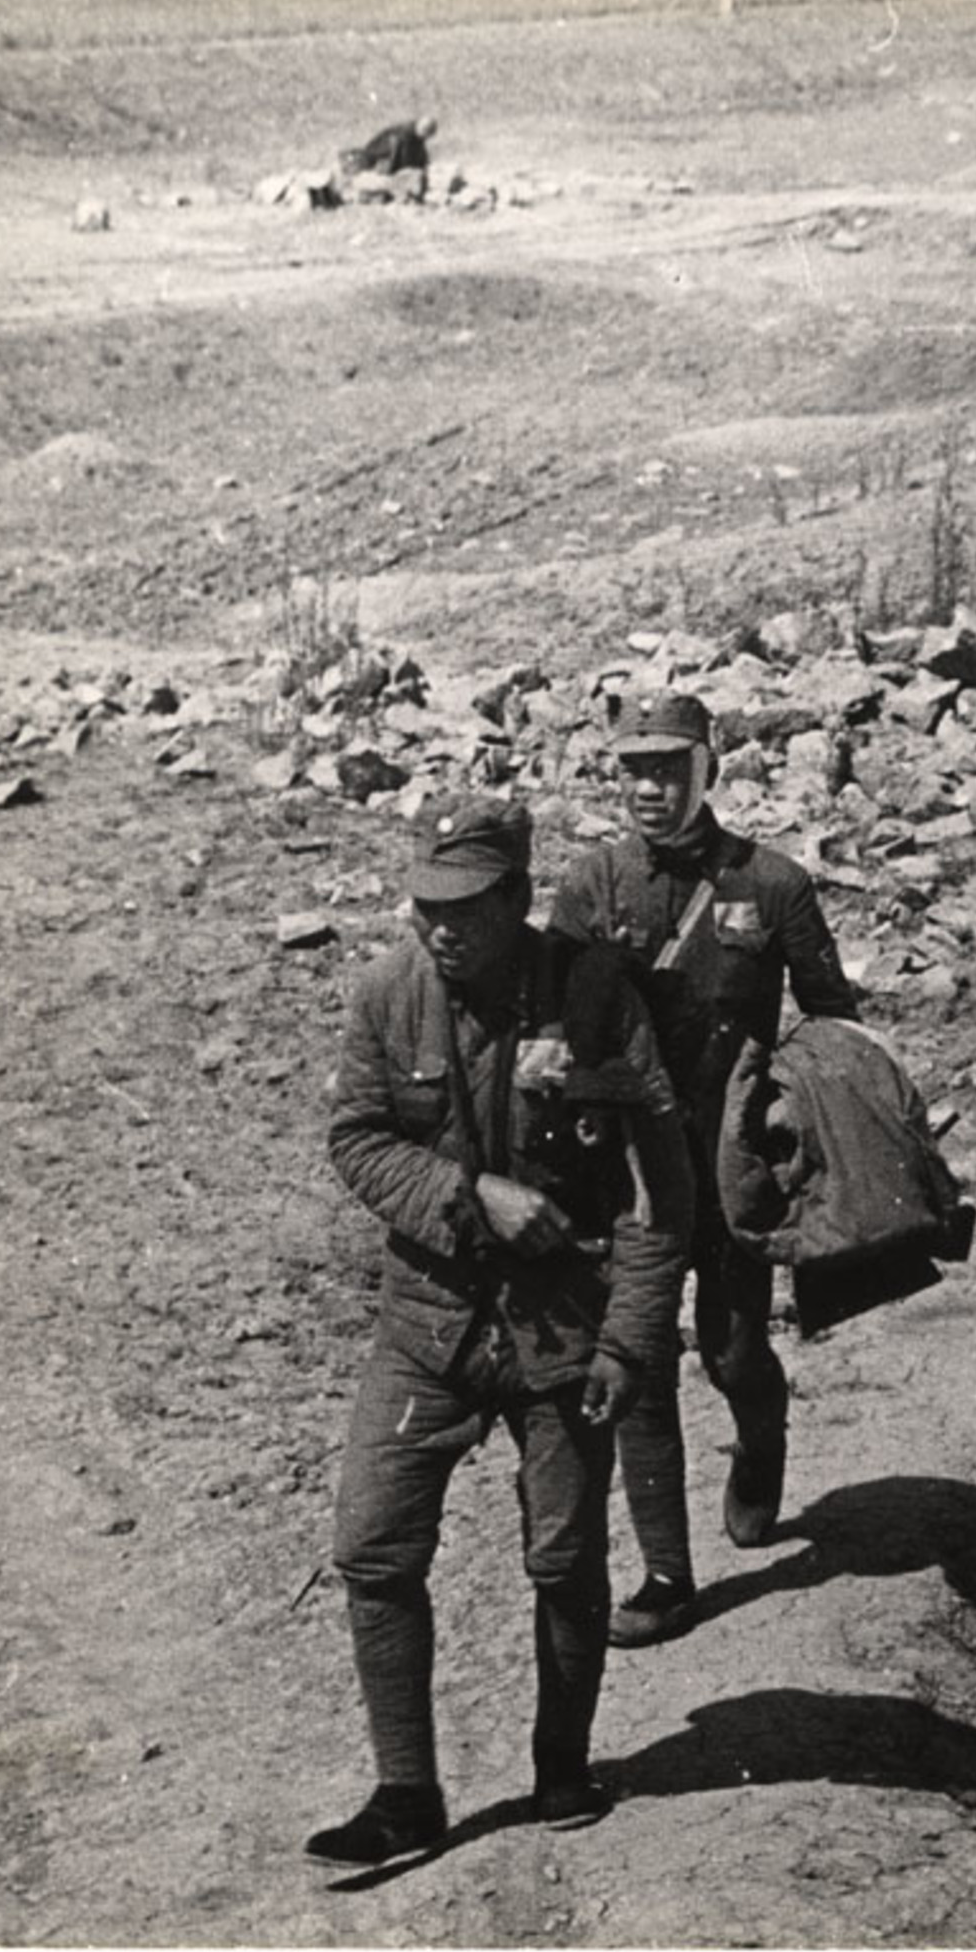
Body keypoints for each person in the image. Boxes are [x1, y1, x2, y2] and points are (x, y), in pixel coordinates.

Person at [310, 797, 695, 1866]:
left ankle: (562, 1762)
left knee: (563, 1554)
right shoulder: (389, 994)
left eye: (465, 908)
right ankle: (406, 1792)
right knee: (370, 1547)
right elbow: (356, 1138)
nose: (439, 926)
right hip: (427, 1322)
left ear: (518, 899)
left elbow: (656, 1195)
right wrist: (470, 1193)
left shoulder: (595, 993)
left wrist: (628, 1339)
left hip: (562, 1327)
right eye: (424, 903)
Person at [549, 693, 861, 1648]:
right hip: (635, 1177)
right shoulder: (591, 887)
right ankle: (667, 1576)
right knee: (639, 1363)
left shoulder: (771, 885)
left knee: (730, 1351)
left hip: (728, 1169)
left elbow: (832, 1022)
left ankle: (760, 1442)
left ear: (708, 767)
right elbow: (557, 1028)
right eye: (634, 769)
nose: (650, 787)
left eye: (669, 767)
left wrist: (784, 1106)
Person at [356, 114, 437, 177]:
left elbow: (420, 152)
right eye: (427, 135)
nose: (427, 139)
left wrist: (423, 166)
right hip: (377, 157)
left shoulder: (416, 134)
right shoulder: (404, 133)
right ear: (423, 129)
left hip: (389, 156)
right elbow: (405, 158)